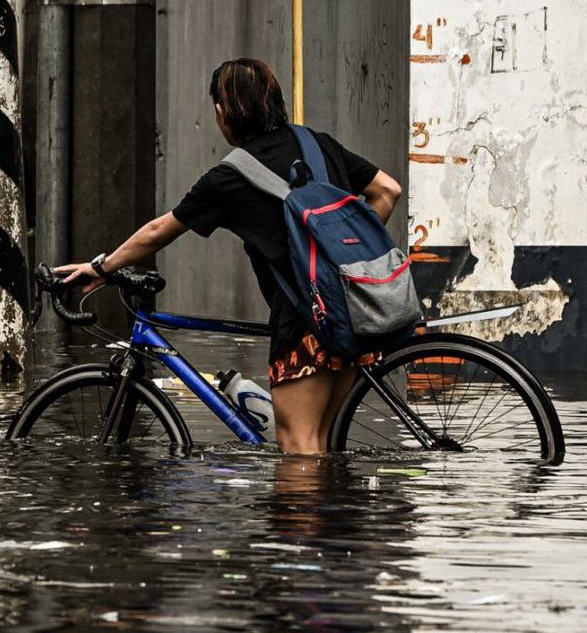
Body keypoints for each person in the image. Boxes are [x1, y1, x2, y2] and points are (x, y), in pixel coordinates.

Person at [56, 57, 402, 455]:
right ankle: (333, 517)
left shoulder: (230, 177)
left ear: (223, 112)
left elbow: (158, 231)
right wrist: (341, 259)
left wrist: (100, 267)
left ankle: (301, 519)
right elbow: (387, 191)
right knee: (321, 445)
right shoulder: (317, 143)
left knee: (299, 449)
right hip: (355, 311)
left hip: (304, 319)